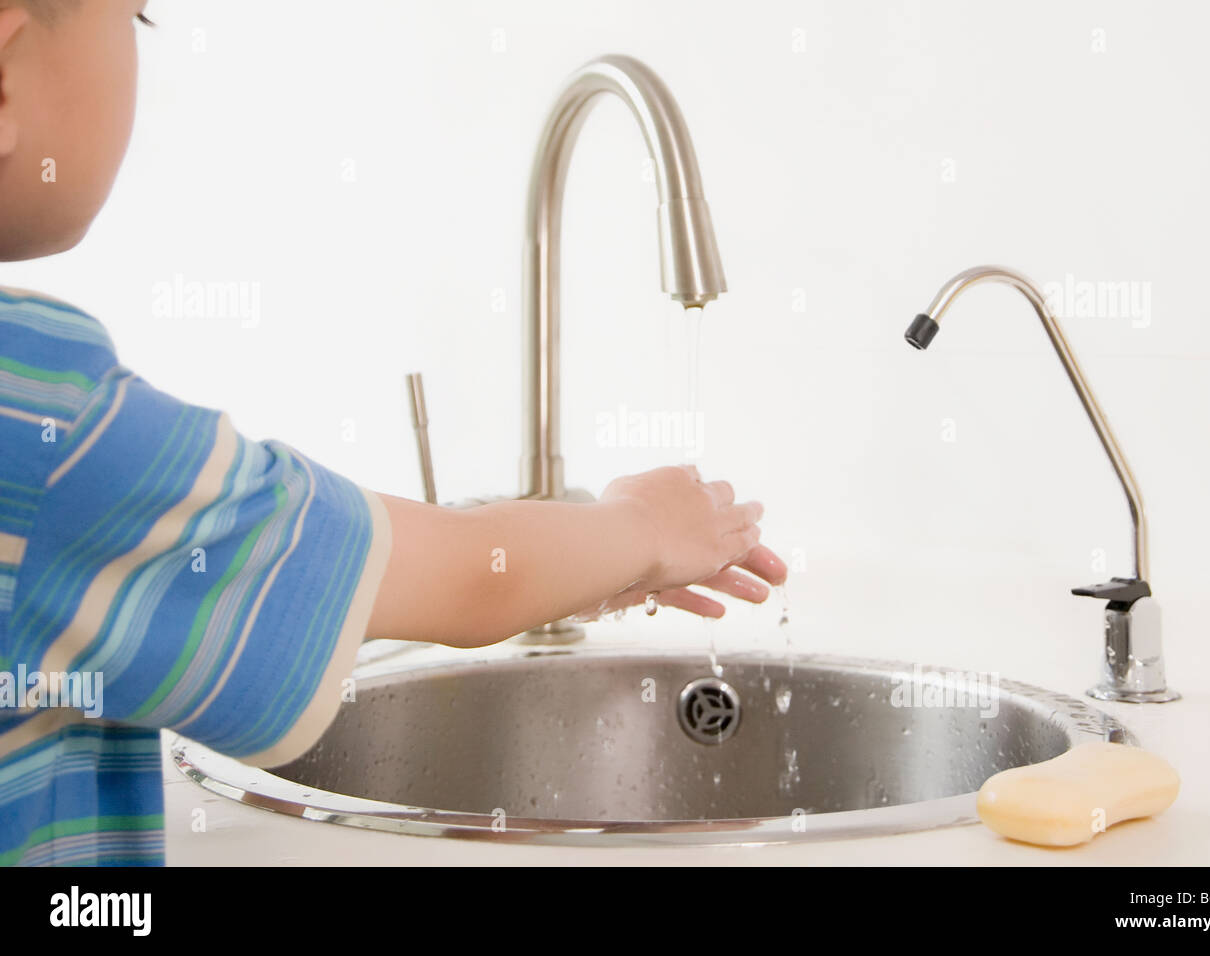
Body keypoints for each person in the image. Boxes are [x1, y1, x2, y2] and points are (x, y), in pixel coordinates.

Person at [0, 0, 786, 865]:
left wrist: (595, 564)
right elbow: (463, 578)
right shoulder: (47, 415)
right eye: (137, 18)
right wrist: (640, 527)